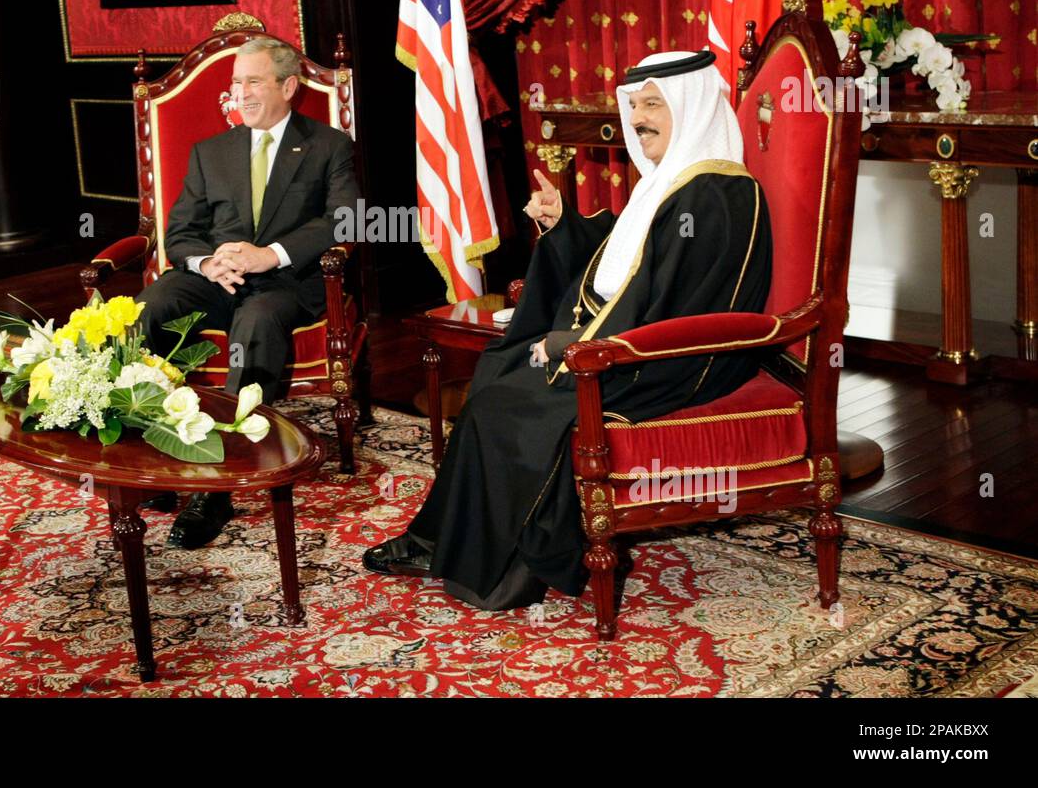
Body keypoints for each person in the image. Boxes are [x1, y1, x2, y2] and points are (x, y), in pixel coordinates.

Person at [363, 49, 772, 610]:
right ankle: (442, 541)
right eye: (636, 106)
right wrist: (565, 227)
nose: (640, 119)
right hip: (633, 342)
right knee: (498, 370)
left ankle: (512, 567)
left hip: (677, 361)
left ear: (693, 108)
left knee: (510, 405)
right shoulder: (674, 182)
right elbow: (627, 265)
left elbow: (673, 310)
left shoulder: (714, 195)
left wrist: (571, 344)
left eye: (654, 104)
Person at [137, 35, 359, 548]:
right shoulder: (210, 152)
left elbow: (344, 219)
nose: (241, 93)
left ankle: (220, 484)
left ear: (288, 85)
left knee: (256, 321)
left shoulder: (328, 146)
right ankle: (155, 452)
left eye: (252, 81)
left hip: (285, 280)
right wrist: (207, 261)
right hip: (215, 277)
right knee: (151, 307)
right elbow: (180, 233)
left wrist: (271, 254)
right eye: (236, 83)